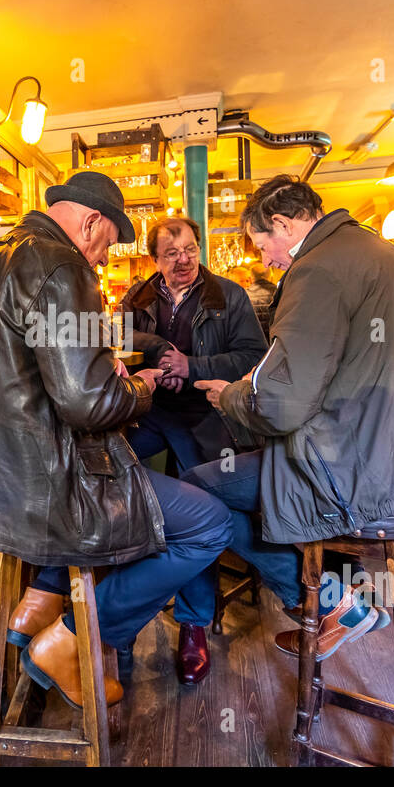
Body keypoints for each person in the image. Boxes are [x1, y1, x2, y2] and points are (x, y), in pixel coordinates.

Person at [0, 171, 231, 708]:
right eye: (107, 245)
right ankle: (70, 635)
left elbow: (32, 376)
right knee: (209, 524)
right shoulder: (62, 265)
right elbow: (89, 405)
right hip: (54, 488)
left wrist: (96, 367)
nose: (103, 259)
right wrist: (141, 386)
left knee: (151, 491)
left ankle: (40, 599)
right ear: (90, 222)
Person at [188, 176, 394, 661]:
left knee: (196, 491)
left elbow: (282, 408)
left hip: (350, 465)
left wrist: (232, 397)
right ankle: (344, 590)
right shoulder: (382, 253)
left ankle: (332, 603)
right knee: (242, 475)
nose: (264, 260)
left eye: (262, 244)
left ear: (282, 224)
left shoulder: (318, 270)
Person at [120, 217, 267, 683]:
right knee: (105, 472)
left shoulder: (229, 295)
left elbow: (252, 355)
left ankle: (193, 625)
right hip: (150, 411)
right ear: (154, 260)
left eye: (189, 249)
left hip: (206, 416)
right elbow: (118, 340)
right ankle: (113, 609)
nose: (183, 260)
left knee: (201, 511)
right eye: (171, 254)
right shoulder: (139, 297)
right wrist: (158, 351)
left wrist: (194, 364)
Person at [245, 264, 277, 340]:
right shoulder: (279, 291)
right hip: (274, 340)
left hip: (254, 341)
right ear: (271, 276)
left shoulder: (245, 295)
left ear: (250, 278)